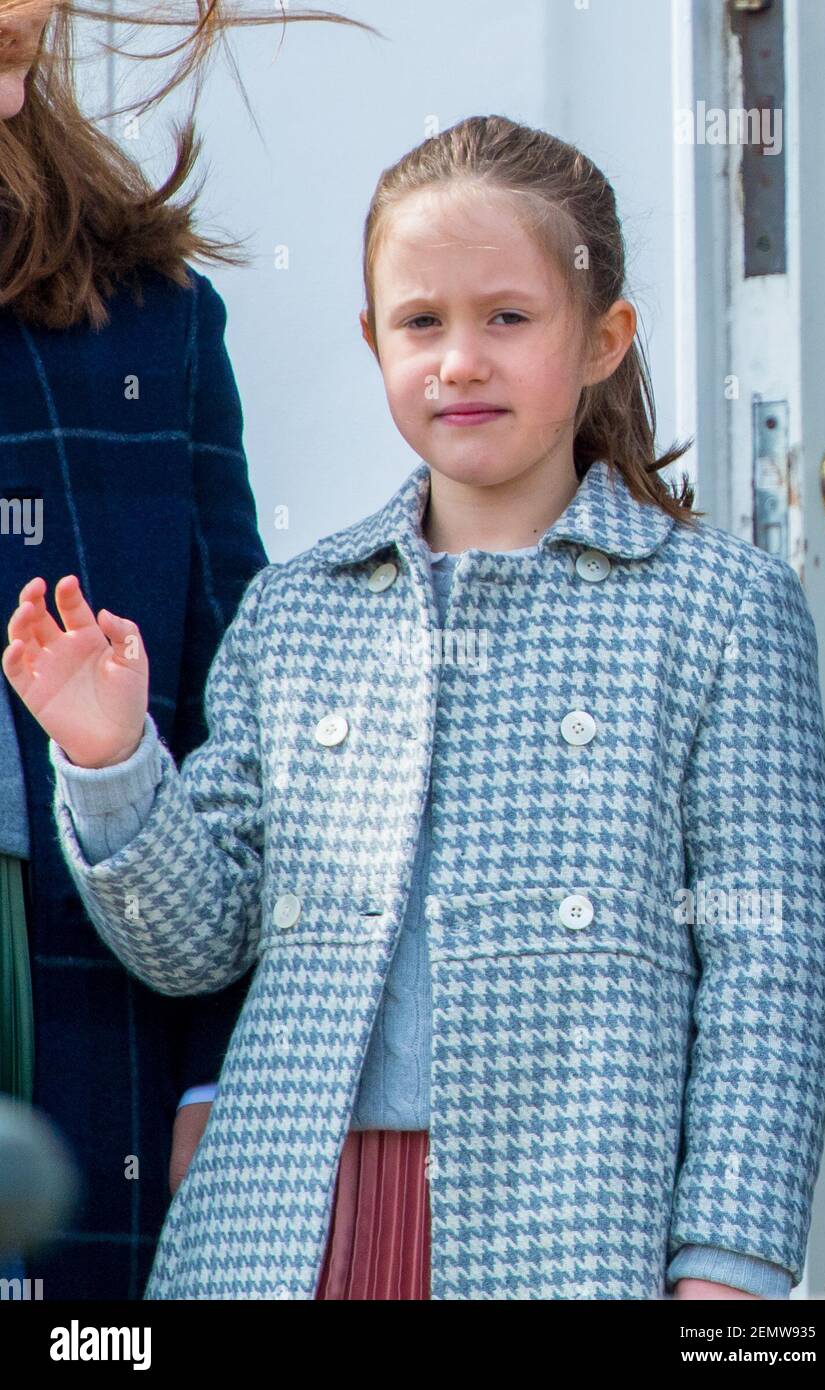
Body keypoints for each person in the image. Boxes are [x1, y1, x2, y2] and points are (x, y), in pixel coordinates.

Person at [3, 114, 825, 1300]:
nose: (458, 359)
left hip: (568, 1226)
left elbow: (772, 965)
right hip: (287, 1230)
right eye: (420, 323)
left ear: (603, 340)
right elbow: (200, 945)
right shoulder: (300, 610)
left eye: (507, 317)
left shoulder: (718, 608)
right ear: (372, 340)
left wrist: (725, 1270)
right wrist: (109, 754)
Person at [0, 0, 376, 1297]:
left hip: (79, 1038)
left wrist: (223, 1074)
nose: (17, 66)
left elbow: (237, 749)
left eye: (20, 43)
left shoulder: (146, 324)